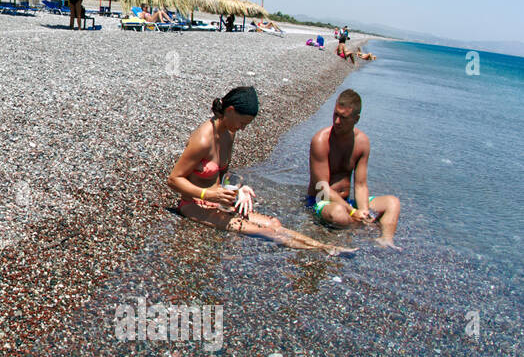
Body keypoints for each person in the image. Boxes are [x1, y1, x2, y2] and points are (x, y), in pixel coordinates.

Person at [168, 86, 351, 255]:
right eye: (242, 122)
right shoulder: (203, 140)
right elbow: (174, 180)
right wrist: (208, 195)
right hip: (194, 205)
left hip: (217, 201)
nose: (243, 128)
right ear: (230, 111)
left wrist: (239, 190)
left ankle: (326, 246)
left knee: (274, 223)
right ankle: (326, 251)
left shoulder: (228, 133)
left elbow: (221, 177)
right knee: (269, 233)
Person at [307, 89, 401, 248]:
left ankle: (386, 239)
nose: (337, 121)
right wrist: (352, 211)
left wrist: (363, 210)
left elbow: (361, 185)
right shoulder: (321, 140)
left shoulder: (362, 142)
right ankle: (360, 229)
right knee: (338, 214)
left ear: (356, 119)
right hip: (322, 200)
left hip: (348, 202)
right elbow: (322, 187)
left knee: (392, 202)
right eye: (335, 114)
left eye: (343, 118)